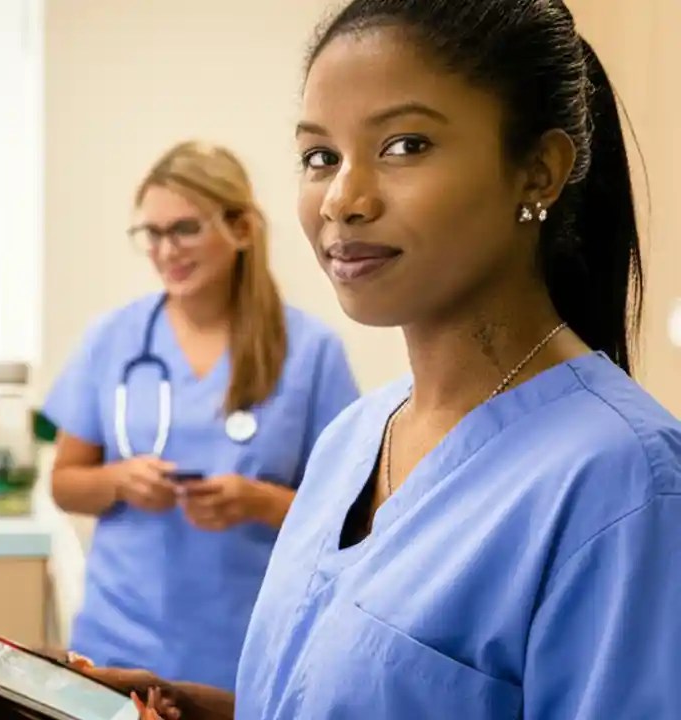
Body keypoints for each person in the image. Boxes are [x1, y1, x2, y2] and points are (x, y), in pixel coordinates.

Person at [75, 1, 681, 718]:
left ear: (538, 172)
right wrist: (195, 710)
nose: (342, 200)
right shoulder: (353, 441)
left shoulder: (624, 484)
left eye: (404, 145)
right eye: (320, 157)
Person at [43, 141, 360, 691]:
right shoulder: (113, 339)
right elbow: (66, 484)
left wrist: (259, 501)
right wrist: (119, 481)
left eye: (185, 229)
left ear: (241, 228)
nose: (166, 250)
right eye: (152, 233)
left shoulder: (311, 352)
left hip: (248, 649)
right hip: (119, 643)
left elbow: (352, 518)